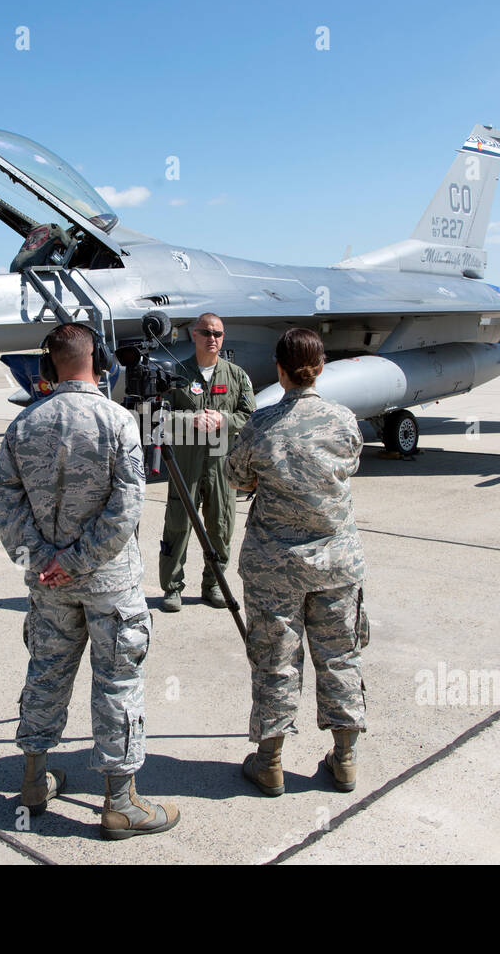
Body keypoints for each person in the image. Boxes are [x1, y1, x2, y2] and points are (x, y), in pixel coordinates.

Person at [0, 322, 179, 840]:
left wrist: (43, 558)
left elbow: (2, 499)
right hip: (108, 582)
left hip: (49, 585)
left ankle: (32, 781)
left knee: (46, 672)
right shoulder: (117, 421)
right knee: (117, 681)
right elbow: (126, 507)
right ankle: (119, 804)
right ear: (101, 361)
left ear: (48, 366)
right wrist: (78, 559)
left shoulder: (25, 425)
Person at [226, 327, 369, 796]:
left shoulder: (262, 425)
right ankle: (344, 759)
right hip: (335, 563)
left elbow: (235, 478)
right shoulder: (343, 419)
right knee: (340, 657)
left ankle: (269, 763)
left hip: (274, 567)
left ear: (280, 369)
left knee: (275, 660)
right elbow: (349, 467)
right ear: (321, 367)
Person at [158, 312, 255, 612]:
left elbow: (250, 415)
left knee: (221, 525)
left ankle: (213, 584)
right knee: (178, 524)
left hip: (221, 463)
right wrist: (191, 420)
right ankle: (172, 587)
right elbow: (159, 416)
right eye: (206, 333)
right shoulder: (176, 373)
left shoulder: (236, 376)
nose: (212, 339)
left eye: (218, 334)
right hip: (186, 461)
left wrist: (223, 419)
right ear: (195, 336)